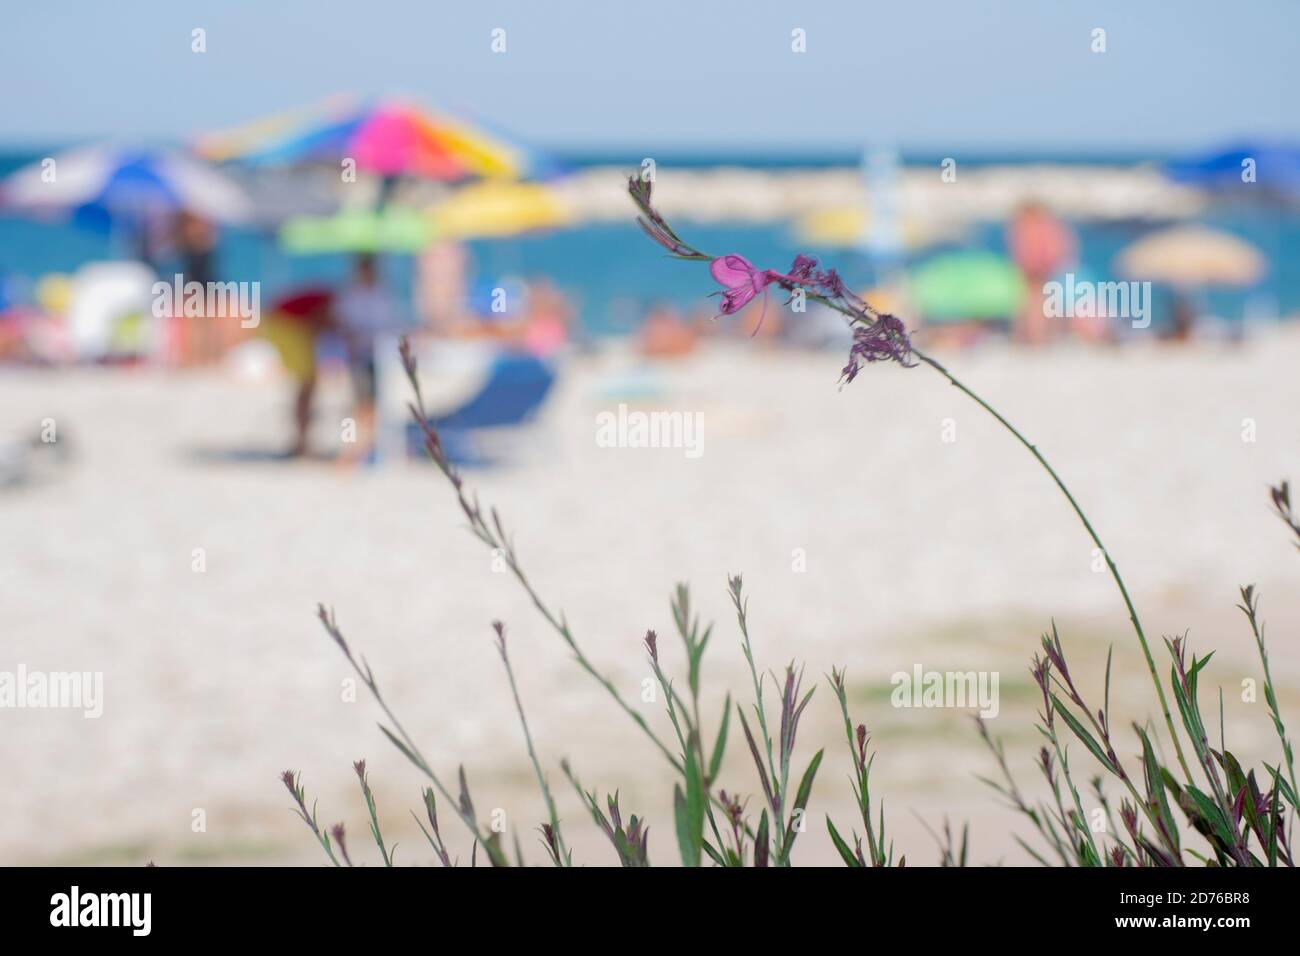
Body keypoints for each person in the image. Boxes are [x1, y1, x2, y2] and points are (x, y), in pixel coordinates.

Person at [334, 254, 401, 463]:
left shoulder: (380, 294)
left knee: (372, 403)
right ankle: (359, 447)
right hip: (359, 356)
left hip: (378, 356)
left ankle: (365, 447)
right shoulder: (353, 295)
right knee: (360, 403)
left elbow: (389, 325)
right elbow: (343, 326)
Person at [261, 287, 334, 457]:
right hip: (285, 326)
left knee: (307, 385)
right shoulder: (330, 302)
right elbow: (321, 324)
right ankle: (301, 442)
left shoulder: (327, 298)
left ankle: (301, 440)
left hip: (283, 324)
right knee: (307, 383)